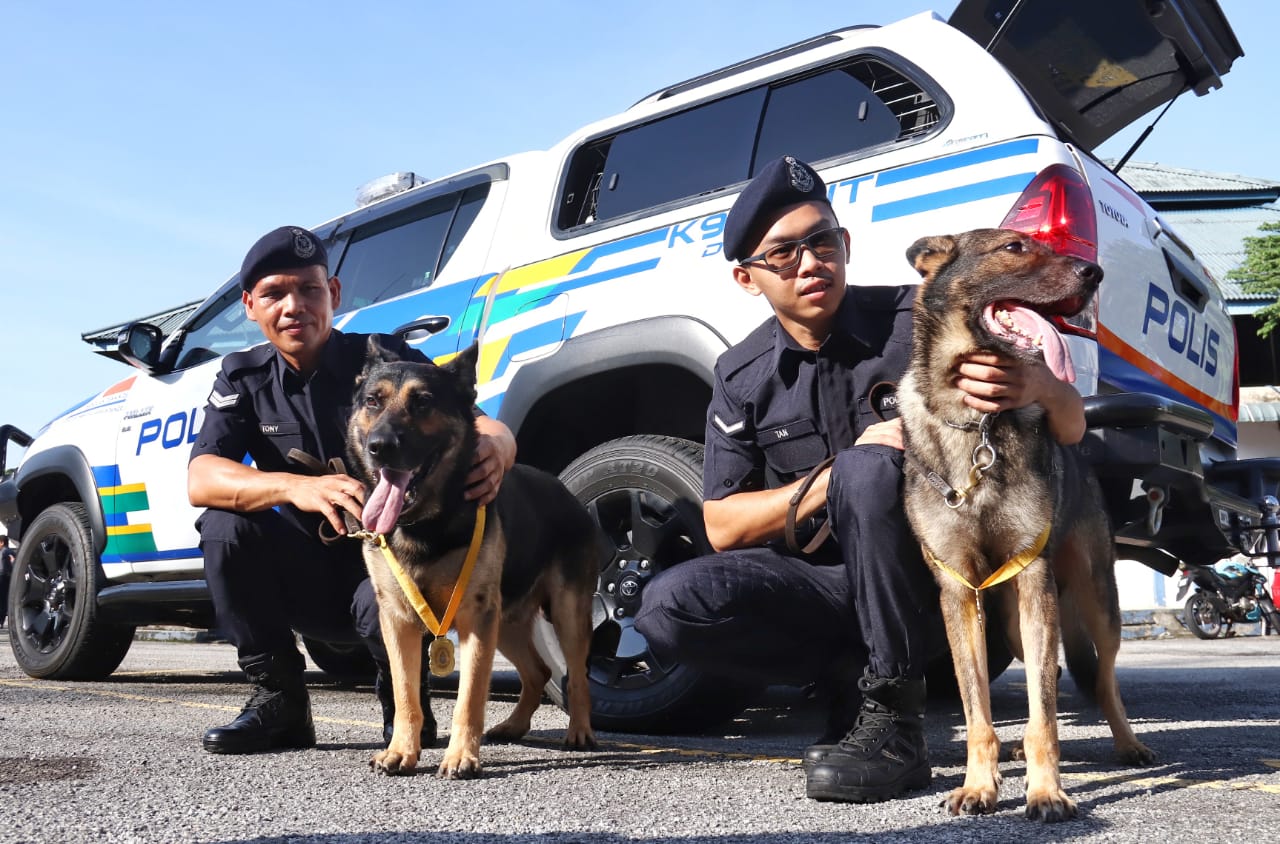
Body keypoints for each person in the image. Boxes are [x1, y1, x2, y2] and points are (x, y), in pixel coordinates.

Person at [634, 156, 1086, 803]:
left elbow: (1068, 428)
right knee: (668, 607)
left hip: (933, 582)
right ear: (746, 277)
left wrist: (1041, 384)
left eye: (822, 242)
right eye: (783, 253)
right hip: (827, 587)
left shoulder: (921, 316)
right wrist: (830, 477)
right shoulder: (741, 375)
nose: (810, 263)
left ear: (845, 243)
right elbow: (723, 524)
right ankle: (850, 677)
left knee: (869, 471)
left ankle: (895, 721)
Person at [188, 225, 516, 755]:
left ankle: (404, 707)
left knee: (382, 598)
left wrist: (501, 446)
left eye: (309, 289)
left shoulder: (383, 361)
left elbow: (478, 420)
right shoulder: (242, 377)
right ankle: (279, 702)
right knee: (224, 525)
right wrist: (295, 487)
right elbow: (201, 476)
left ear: (334, 294)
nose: (294, 306)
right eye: (274, 294)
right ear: (249, 306)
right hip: (306, 575)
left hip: (390, 572)